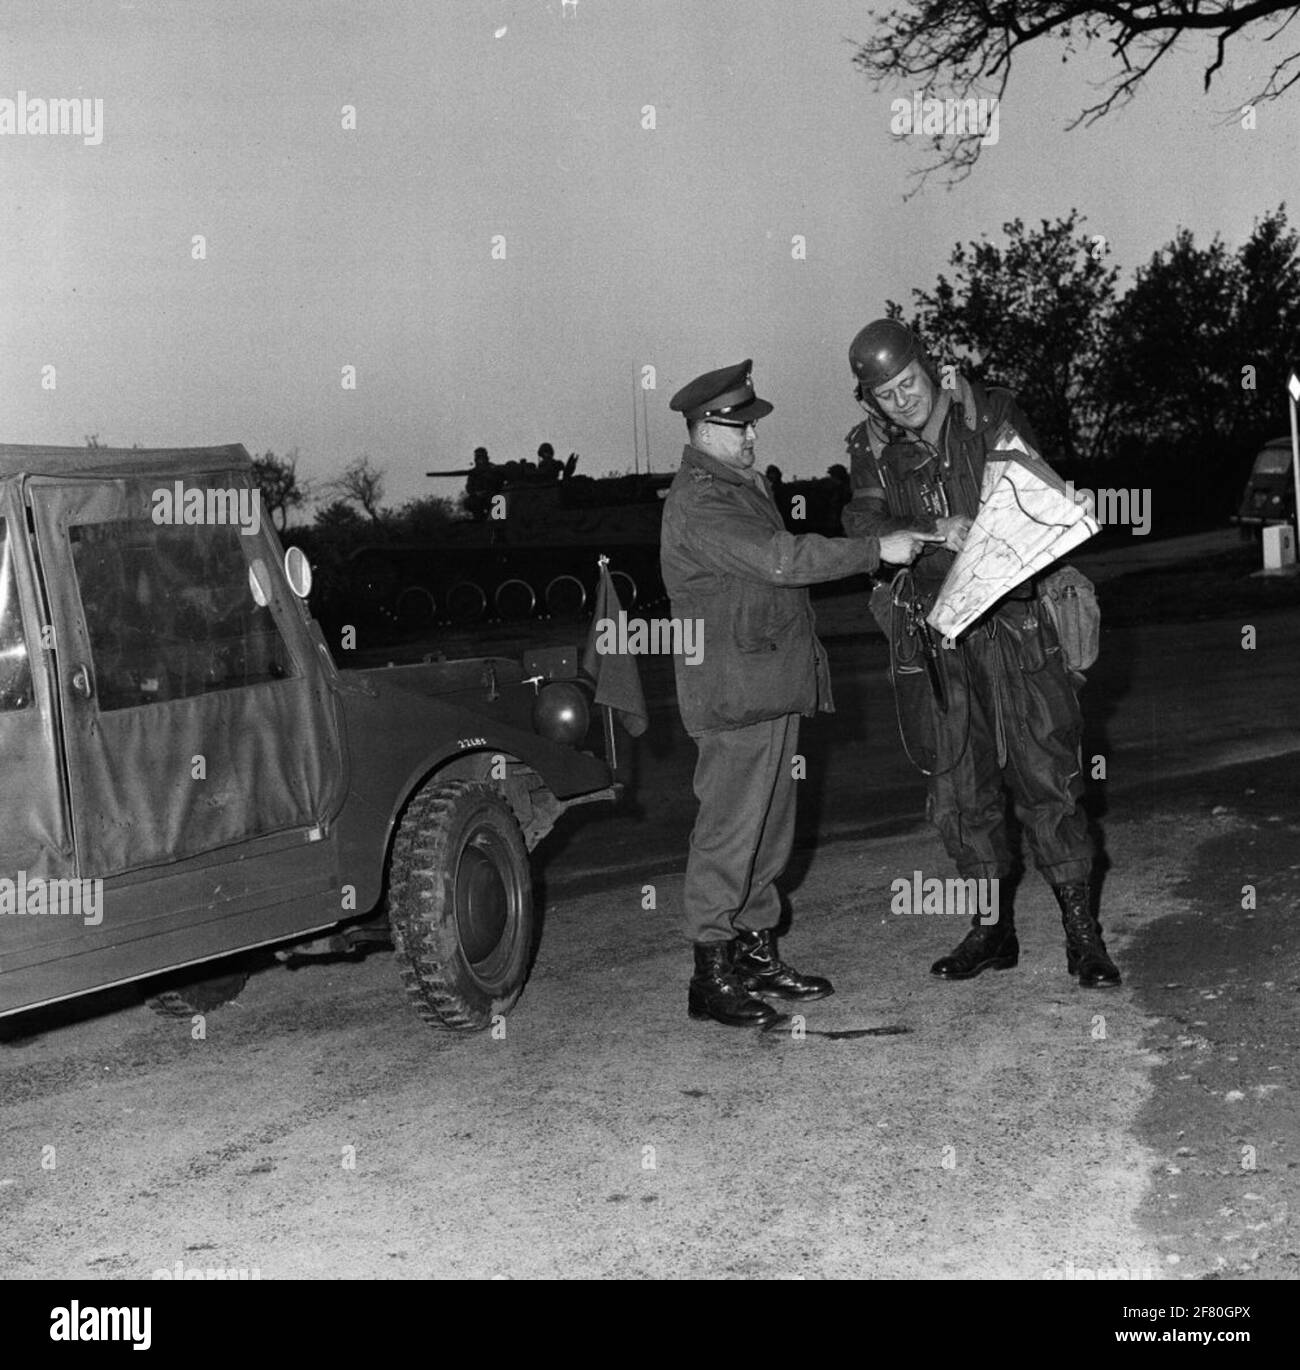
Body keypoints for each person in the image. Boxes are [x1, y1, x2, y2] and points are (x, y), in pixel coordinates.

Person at [842, 318, 1120, 988]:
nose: (902, 400)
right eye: (885, 394)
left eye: (908, 382)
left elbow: (1031, 492)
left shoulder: (990, 414)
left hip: (1017, 627)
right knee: (961, 793)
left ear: (930, 367)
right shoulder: (871, 451)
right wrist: (934, 529)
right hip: (939, 639)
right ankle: (992, 931)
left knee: (1047, 777)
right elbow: (863, 526)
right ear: (870, 400)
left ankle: (1083, 937)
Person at [661, 359, 938, 1028]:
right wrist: (876, 550)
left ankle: (756, 953)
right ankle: (711, 974)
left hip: (768, 684)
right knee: (730, 831)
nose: (752, 437)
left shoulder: (737, 485)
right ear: (702, 429)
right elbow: (782, 559)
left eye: (754, 425)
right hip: (734, 692)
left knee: (769, 830)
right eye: (738, 427)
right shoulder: (701, 501)